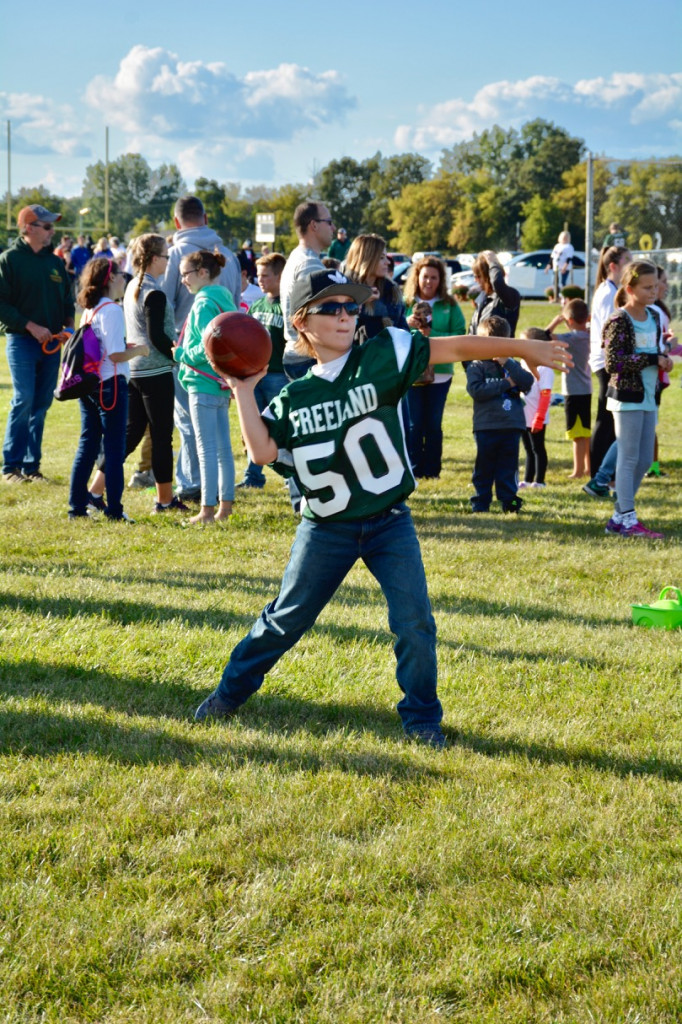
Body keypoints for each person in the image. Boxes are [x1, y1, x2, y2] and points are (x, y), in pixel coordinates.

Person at [193, 268, 573, 744]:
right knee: (286, 619)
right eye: (331, 308)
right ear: (301, 323)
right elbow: (263, 453)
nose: (346, 316)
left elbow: (452, 347)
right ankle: (229, 694)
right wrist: (244, 390)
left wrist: (520, 346)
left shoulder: (383, 354)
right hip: (326, 528)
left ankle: (421, 719)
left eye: (352, 307)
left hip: (390, 521)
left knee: (415, 622)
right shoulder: (294, 397)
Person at [91, 234, 188, 514]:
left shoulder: (134, 284)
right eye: (167, 257)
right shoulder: (153, 291)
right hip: (154, 371)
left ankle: (95, 492)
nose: (169, 262)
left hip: (134, 372)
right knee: (161, 437)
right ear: (156, 259)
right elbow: (157, 335)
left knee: (129, 436)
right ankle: (165, 500)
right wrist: (178, 354)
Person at [162, 195, 241, 502]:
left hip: (193, 358)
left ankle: (195, 488)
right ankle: (222, 494)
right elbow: (235, 309)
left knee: (192, 426)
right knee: (220, 440)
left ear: (177, 223)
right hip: (226, 359)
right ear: (206, 218)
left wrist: (175, 349)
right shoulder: (228, 255)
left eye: (186, 277)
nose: (184, 281)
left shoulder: (178, 255)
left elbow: (164, 302)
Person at [68, 258, 148, 521]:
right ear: (111, 278)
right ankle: (114, 510)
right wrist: (139, 350)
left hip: (90, 385)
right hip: (110, 385)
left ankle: (76, 507)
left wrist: (125, 345)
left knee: (87, 445)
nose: (125, 279)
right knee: (114, 448)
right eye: (121, 275)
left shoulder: (91, 309)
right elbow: (114, 356)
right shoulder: (112, 309)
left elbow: (101, 347)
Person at [0, 204, 74, 484]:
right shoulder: (9, 260)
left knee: (42, 402)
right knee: (24, 399)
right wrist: (30, 326)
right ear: (29, 227)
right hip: (22, 341)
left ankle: (32, 467)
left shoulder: (54, 263)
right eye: (47, 226)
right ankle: (11, 468)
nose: (52, 231)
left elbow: (68, 300)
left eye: (52, 226)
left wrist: (68, 327)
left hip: (52, 344)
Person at [603, 261, 672, 540]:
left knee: (644, 459)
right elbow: (613, 362)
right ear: (629, 288)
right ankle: (628, 520)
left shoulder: (654, 317)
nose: (653, 291)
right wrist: (652, 359)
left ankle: (619, 517)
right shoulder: (619, 319)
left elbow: (655, 350)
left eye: (655, 286)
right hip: (627, 397)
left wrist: (663, 358)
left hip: (648, 395)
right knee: (629, 456)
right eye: (647, 287)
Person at [173, 249, 237, 525]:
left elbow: (204, 347)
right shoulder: (225, 298)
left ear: (202, 273)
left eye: (185, 275)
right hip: (223, 381)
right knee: (223, 447)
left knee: (206, 448)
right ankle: (225, 506)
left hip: (202, 381)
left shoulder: (202, 303)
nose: (183, 281)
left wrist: (180, 354)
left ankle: (207, 510)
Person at [403, 255, 465, 478]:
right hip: (412, 372)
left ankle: (433, 470)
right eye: (425, 276)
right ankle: (414, 469)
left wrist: (431, 335)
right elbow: (392, 333)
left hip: (441, 373)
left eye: (434, 278)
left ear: (441, 280)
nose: (429, 282)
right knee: (414, 423)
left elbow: (459, 335)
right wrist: (407, 324)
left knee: (433, 423)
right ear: (417, 277)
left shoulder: (449, 305)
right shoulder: (405, 303)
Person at [466, 316, 534, 513]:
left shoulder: (511, 364)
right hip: (486, 425)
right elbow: (477, 390)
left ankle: (510, 503)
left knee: (508, 467)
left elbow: (527, 381)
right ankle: (481, 502)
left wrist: (509, 364)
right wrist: (507, 383)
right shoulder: (476, 366)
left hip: (511, 424)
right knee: (484, 467)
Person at [237, 252, 288, 490]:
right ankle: (253, 477)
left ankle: (293, 476)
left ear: (280, 276)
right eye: (258, 275)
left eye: (266, 275)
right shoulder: (256, 305)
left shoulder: (287, 307)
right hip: (254, 375)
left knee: (283, 427)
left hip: (278, 374)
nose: (260, 280)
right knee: (254, 426)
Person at [280, 200, 335, 380]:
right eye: (329, 222)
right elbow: (318, 316)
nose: (333, 228)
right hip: (307, 356)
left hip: (298, 354)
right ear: (314, 225)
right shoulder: (309, 263)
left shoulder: (298, 257)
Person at [589, 245, 631, 476]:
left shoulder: (613, 289)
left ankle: (605, 471)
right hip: (605, 362)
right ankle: (597, 473)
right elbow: (610, 331)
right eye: (628, 261)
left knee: (610, 419)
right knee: (605, 420)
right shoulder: (607, 293)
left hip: (610, 362)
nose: (632, 266)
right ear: (613, 266)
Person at [546, 299, 592, 480]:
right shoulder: (589, 335)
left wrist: (556, 322)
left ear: (569, 320)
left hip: (573, 391)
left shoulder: (571, 338)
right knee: (585, 432)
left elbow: (544, 336)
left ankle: (578, 470)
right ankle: (589, 467)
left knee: (576, 433)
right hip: (586, 389)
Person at [343, 233, 408, 344]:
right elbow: (339, 335)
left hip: (389, 358)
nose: (387, 262)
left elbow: (404, 332)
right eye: (381, 257)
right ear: (367, 259)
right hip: (354, 358)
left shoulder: (392, 291)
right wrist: (358, 303)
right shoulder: (342, 291)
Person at [518, 328, 554, 489]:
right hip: (523, 416)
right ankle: (527, 479)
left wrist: (539, 417)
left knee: (538, 448)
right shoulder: (522, 363)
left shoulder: (545, 367)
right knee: (528, 448)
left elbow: (545, 395)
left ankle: (539, 481)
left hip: (536, 418)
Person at [468, 250, 521, 337]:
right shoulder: (483, 299)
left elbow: (497, 282)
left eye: (478, 276)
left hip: (500, 349)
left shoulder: (509, 296)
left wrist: (492, 262)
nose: (475, 280)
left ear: (488, 276)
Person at [547, 231, 575, 295]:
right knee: (554, 282)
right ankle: (555, 296)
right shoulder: (557, 246)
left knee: (562, 283)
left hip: (564, 268)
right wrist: (548, 266)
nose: (564, 238)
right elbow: (552, 257)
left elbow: (569, 258)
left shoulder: (569, 246)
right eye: (563, 237)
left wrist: (564, 267)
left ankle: (563, 295)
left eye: (566, 237)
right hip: (556, 267)